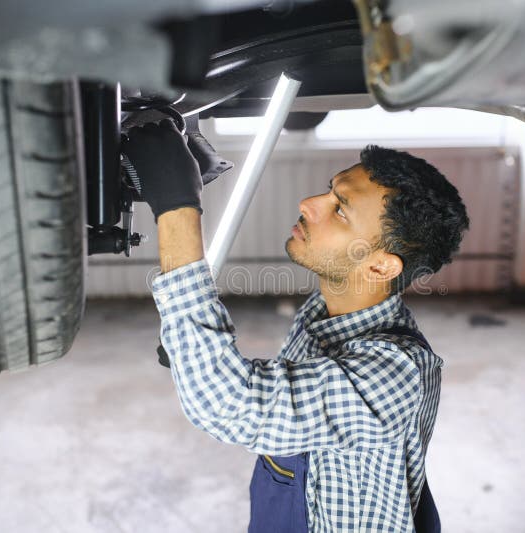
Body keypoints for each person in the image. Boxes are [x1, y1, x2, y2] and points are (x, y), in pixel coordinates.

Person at [122, 118, 469, 533]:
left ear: (380, 266)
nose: (308, 203)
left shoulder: (396, 377)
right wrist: (195, 346)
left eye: (340, 209)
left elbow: (230, 406)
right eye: (329, 190)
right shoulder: (323, 309)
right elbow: (275, 392)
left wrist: (177, 207)